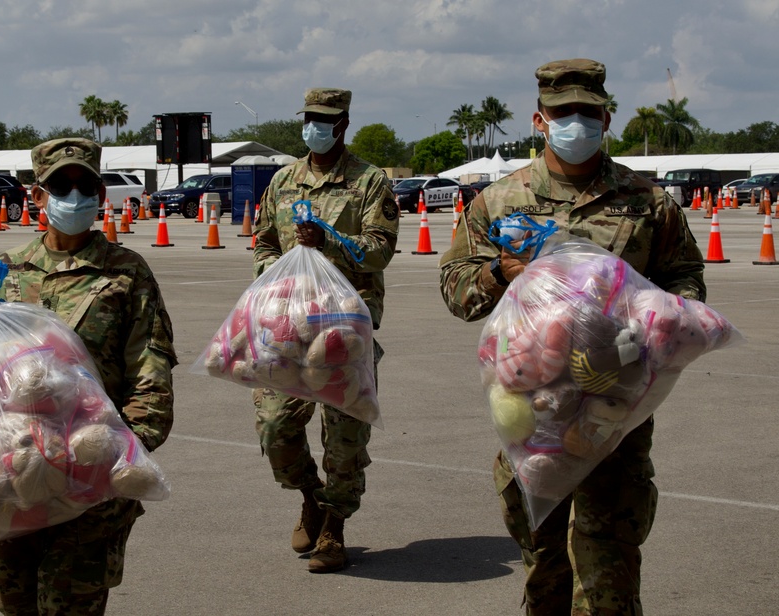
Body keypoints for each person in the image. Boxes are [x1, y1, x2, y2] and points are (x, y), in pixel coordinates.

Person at [439, 59, 706, 615]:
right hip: (529, 411)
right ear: (540, 118)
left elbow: (686, 279)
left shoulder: (647, 202)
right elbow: (455, 289)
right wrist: (500, 273)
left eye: (588, 111)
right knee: (544, 570)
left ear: (607, 117)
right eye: (564, 112)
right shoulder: (499, 201)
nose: (576, 122)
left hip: (614, 409)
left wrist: (656, 321)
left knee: (607, 570)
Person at [0, 137, 177, 615]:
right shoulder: (6, 271)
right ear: (37, 195)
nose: (74, 196)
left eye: (86, 186)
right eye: (61, 185)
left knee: (69, 603)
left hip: (92, 468)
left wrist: (125, 453)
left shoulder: (125, 272)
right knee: (15, 600)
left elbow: (151, 367)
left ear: (101, 195)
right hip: (13, 470)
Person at [252, 88, 399, 573]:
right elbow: (263, 242)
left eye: (325, 119)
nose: (315, 126)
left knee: (345, 437)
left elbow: (379, 249)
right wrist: (278, 276)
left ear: (343, 124)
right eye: (310, 117)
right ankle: (310, 497)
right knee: (275, 427)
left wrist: (330, 242)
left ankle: (334, 527)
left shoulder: (369, 181)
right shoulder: (283, 180)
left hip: (345, 329)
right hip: (289, 327)